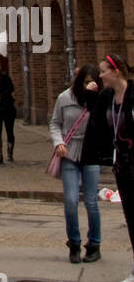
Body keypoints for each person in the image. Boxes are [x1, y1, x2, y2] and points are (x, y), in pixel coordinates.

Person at [84, 53, 134, 282]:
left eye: (103, 70)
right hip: (122, 166)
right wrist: (89, 94)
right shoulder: (106, 97)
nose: (100, 74)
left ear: (116, 72)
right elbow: (95, 122)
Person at [50, 64, 101, 264]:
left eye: (92, 81)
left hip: (91, 153)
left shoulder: (99, 99)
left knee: (91, 201)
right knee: (71, 201)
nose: (89, 85)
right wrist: (58, 142)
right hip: (69, 153)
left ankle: (94, 244)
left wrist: (94, 99)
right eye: (86, 81)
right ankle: (74, 243)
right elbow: (55, 123)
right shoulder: (65, 98)